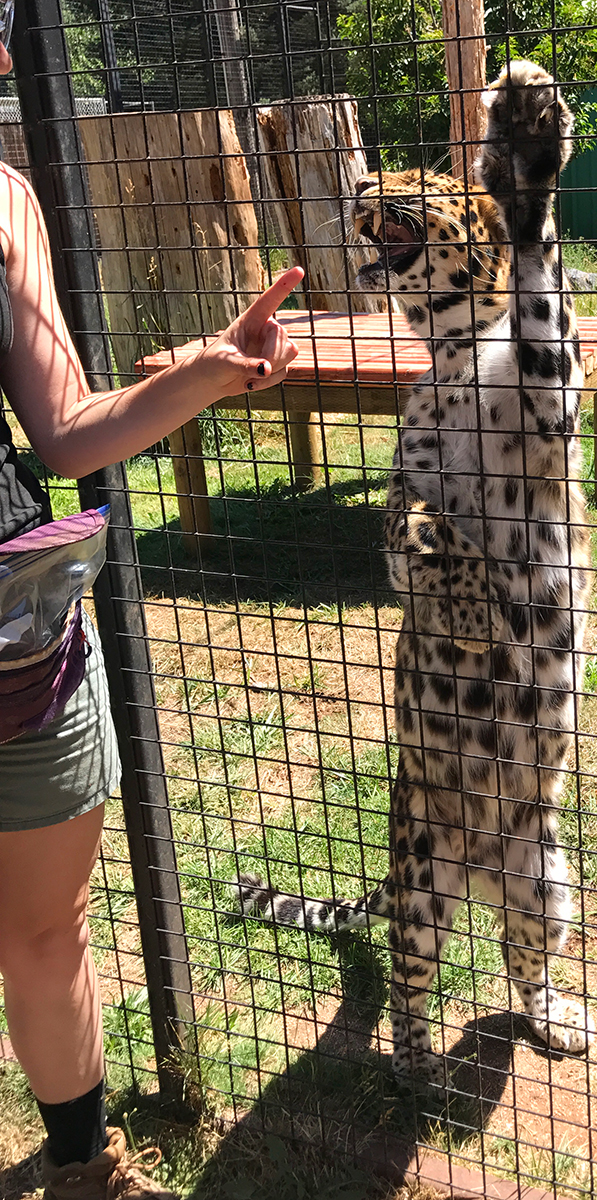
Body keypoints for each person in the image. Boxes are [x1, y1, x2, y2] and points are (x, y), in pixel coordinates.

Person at [0, 20, 304, 1200]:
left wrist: (206, 366)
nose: (12, 57)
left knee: (46, 929)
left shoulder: (5, 199)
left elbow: (68, 430)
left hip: (16, 635)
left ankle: (82, 1176)